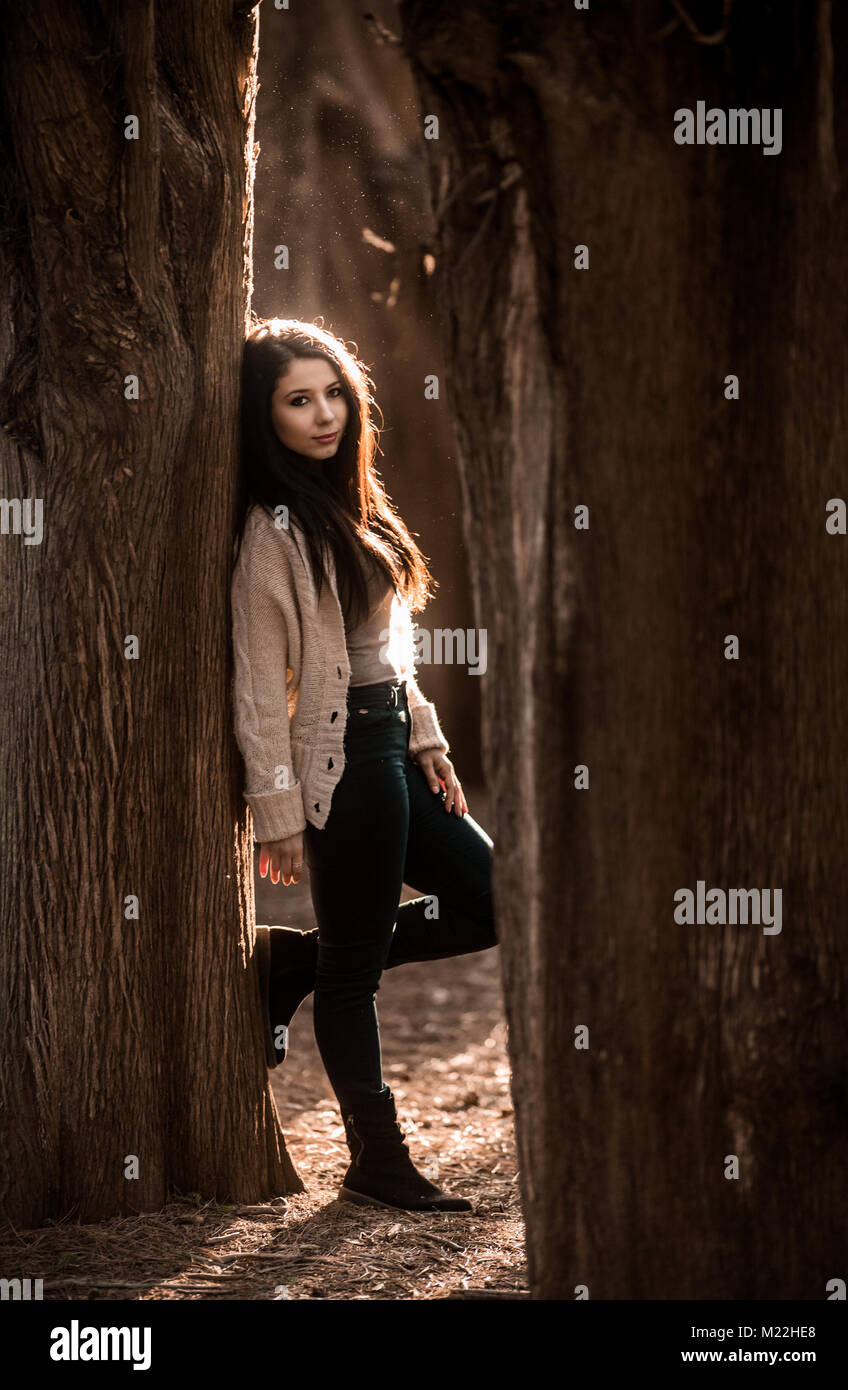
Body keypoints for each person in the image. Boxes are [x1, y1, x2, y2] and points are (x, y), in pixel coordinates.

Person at [230, 317, 497, 1213]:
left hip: (395, 746)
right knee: (359, 975)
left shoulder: (356, 501)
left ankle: (293, 967)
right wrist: (277, 813)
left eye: (333, 392)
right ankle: (376, 1162)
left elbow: (391, 647)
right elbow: (261, 686)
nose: (323, 414)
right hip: (341, 766)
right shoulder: (274, 531)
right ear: (265, 418)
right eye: (297, 400)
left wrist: (428, 738)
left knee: (496, 900)